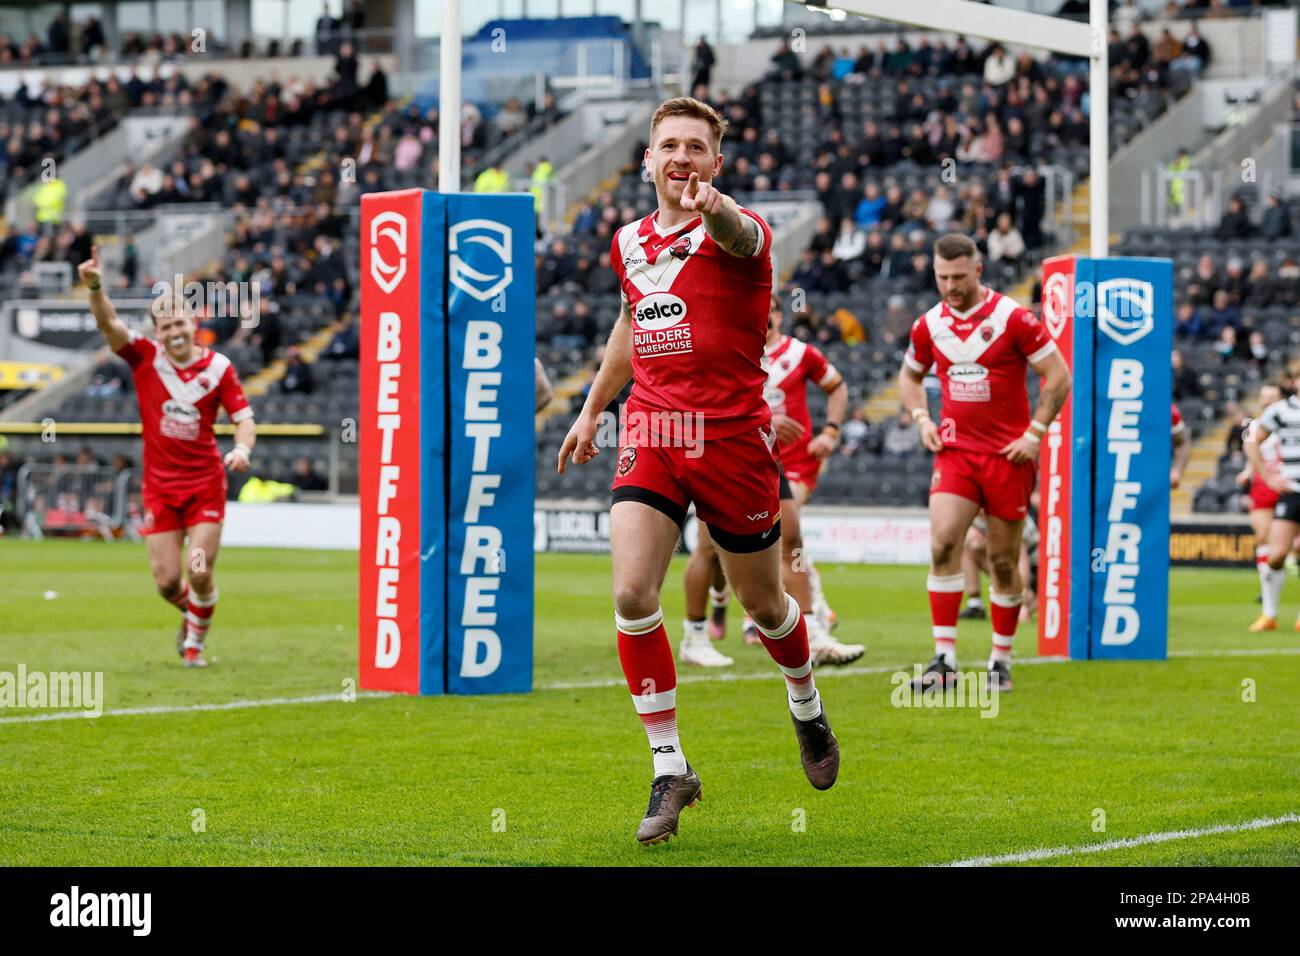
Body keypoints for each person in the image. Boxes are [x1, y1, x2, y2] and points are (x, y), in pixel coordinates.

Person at [556, 97, 841, 846]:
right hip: (652, 428)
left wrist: (714, 208)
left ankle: (806, 704)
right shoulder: (628, 242)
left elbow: (735, 231)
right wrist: (592, 410)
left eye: (695, 148)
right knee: (628, 590)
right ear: (647, 160)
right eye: (668, 146)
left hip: (732, 440)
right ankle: (670, 765)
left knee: (765, 605)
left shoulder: (743, 233)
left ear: (716, 162)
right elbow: (631, 319)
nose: (680, 158)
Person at [897, 233, 1071, 693]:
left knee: (1003, 560)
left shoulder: (1013, 318)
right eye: (942, 277)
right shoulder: (928, 325)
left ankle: (1000, 659)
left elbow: (1058, 377)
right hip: (955, 455)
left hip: (1007, 457)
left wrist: (1035, 434)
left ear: (978, 270)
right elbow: (909, 378)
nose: (950, 286)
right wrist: (921, 418)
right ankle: (944, 660)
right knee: (942, 543)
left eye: (958, 277)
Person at [79, 245, 255, 668]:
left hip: (204, 487)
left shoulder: (219, 368)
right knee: (165, 581)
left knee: (197, 569)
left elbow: (244, 418)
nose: (174, 332)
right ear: (156, 332)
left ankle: (194, 645)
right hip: (160, 487)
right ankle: (197, 611)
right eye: (165, 326)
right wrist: (96, 287)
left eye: (180, 323)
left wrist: (242, 449)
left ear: (193, 323)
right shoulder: (144, 357)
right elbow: (108, 322)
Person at [685, 296, 864, 666]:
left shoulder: (800, 354)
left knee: (787, 537)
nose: (764, 320)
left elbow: (837, 386)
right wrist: (762, 419)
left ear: (780, 315)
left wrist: (830, 431)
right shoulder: (727, 348)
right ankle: (702, 628)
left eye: (770, 313)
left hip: (789, 464)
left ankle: (813, 629)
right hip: (732, 459)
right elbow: (702, 403)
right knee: (710, 548)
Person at [1245, 387, 1300, 634]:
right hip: (1291, 492)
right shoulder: (1281, 411)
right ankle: (1269, 614)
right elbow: (1250, 441)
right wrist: (1267, 476)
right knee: (1276, 555)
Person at [1239, 385, 1286, 632]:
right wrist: (1248, 472)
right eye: (1263, 397)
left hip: (1290, 482)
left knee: (1292, 547)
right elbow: (1252, 453)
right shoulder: (1256, 425)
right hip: (1264, 484)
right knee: (1263, 539)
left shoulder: (1289, 418)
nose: (1267, 402)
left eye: (1272, 397)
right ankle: (1269, 612)